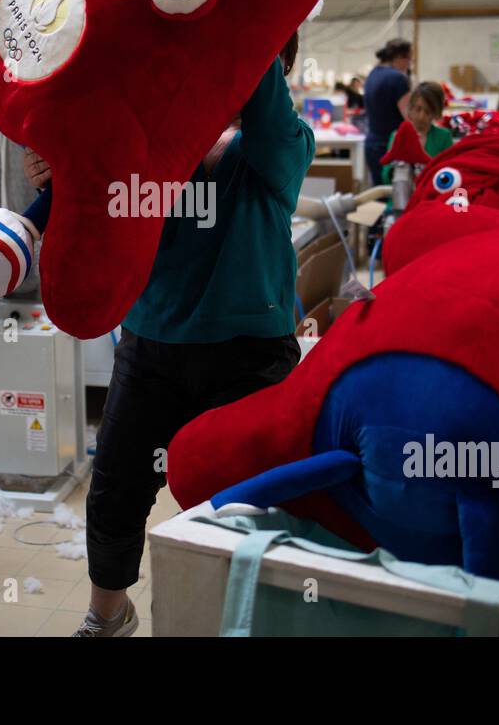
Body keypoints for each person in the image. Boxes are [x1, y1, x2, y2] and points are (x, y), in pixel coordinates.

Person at [22, 35, 312, 637]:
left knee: (250, 497)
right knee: (116, 490)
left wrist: (243, 25)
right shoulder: (150, 143)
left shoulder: (281, 145)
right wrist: (55, 169)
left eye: (267, 64)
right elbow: (96, 197)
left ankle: (245, 618)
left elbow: (260, 101)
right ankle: (108, 615)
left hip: (252, 352)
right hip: (151, 342)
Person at [379, 81, 454, 183]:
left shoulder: (444, 137)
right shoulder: (397, 135)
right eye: (418, 109)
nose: (421, 117)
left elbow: (450, 173)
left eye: (428, 112)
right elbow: (385, 176)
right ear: (410, 107)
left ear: (436, 112)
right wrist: (396, 170)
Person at [362, 38, 413, 183]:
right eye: (408, 59)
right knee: (394, 195)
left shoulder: (372, 74)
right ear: (398, 57)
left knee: (379, 195)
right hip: (389, 145)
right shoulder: (397, 79)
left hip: (372, 143)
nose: (409, 64)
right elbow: (410, 116)